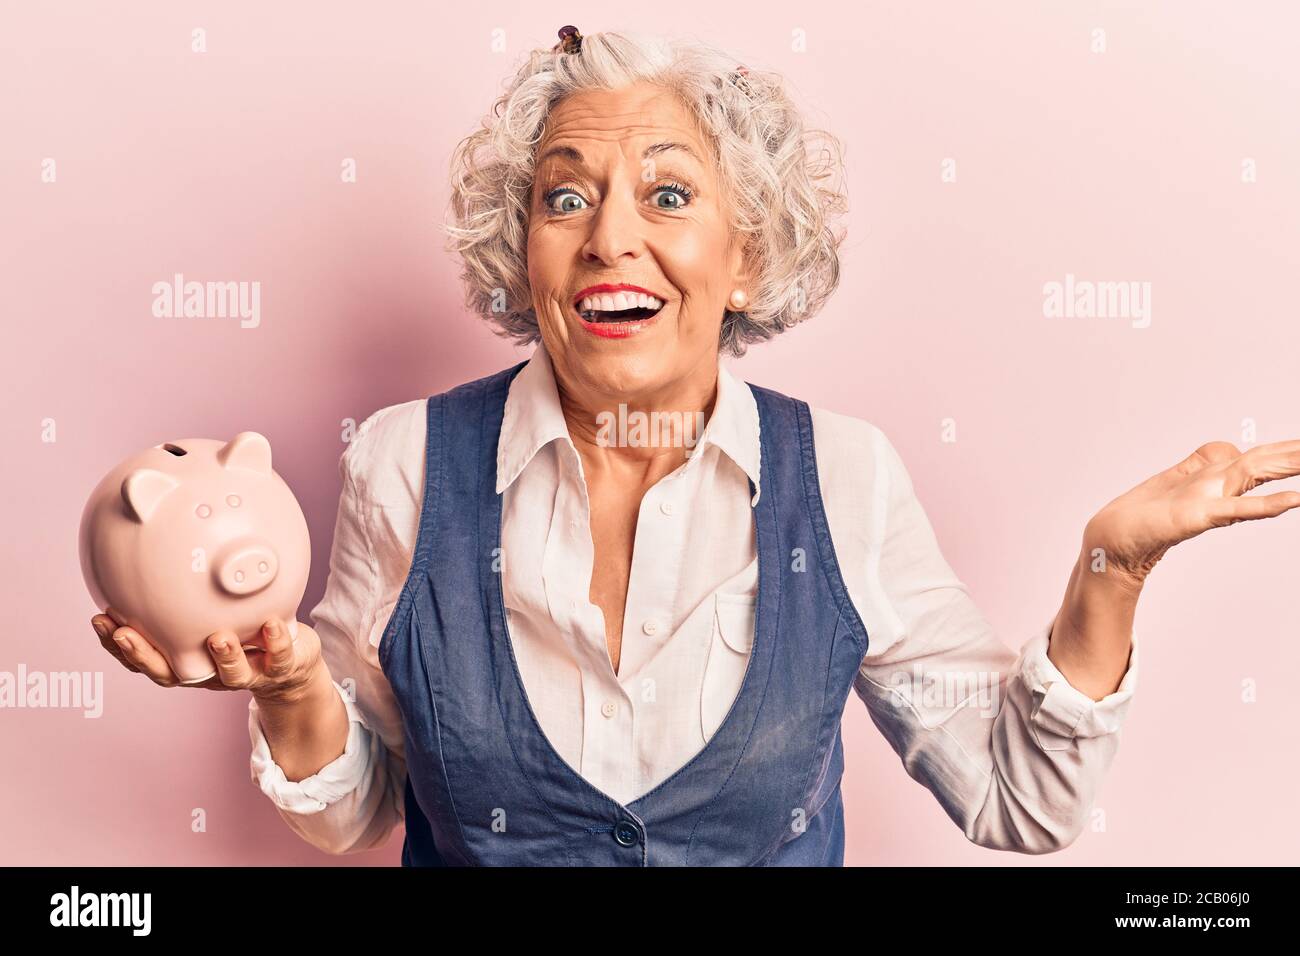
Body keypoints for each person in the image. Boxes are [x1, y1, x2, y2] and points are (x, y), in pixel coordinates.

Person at [91, 28, 1300, 865]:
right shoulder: (405, 462)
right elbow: (354, 809)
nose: (611, 233)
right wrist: (294, 683)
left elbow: (1020, 797)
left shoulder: (844, 475)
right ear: (523, 254)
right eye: (565, 197)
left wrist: (1112, 565)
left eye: (668, 196)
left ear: (751, 255)